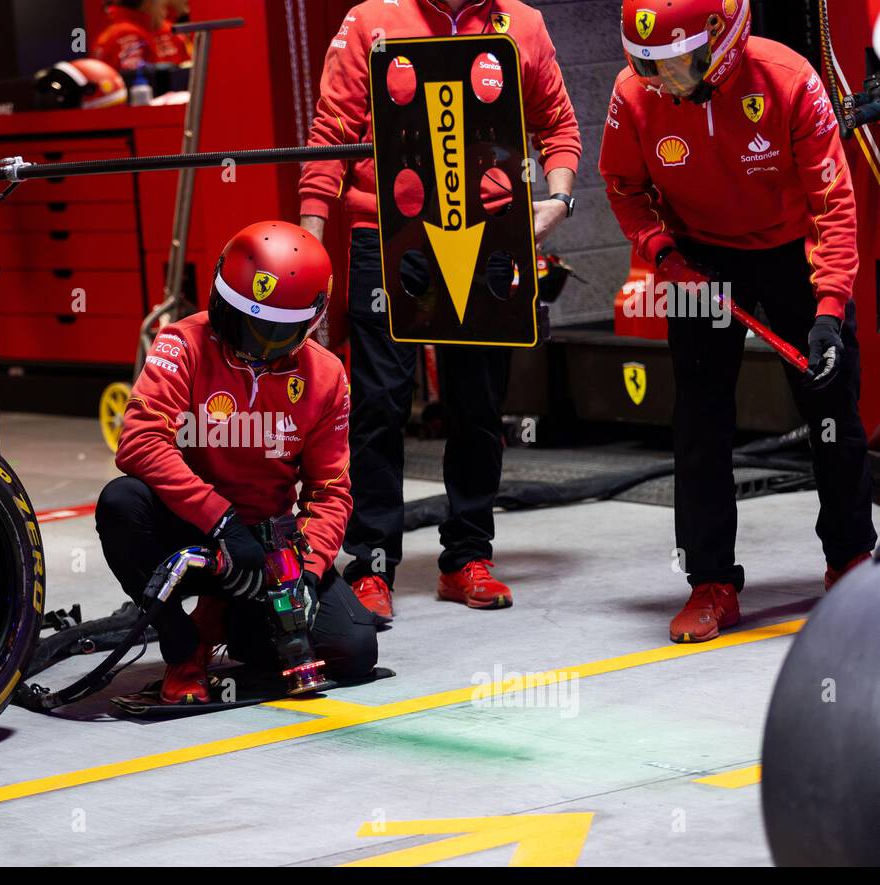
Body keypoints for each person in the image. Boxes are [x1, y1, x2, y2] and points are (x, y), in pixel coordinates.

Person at [601, 0, 877, 643]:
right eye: (650, 65)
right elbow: (623, 186)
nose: (664, 80)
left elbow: (834, 207)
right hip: (698, 257)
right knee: (700, 419)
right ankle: (711, 582)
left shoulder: (789, 81)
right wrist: (661, 253)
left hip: (792, 254)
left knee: (833, 405)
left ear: (723, 40)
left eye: (678, 64)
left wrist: (830, 310)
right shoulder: (632, 95)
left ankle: (850, 562)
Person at [299, 0, 582, 620]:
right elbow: (331, 135)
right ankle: (372, 566)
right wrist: (308, 243)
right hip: (387, 232)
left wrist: (557, 201)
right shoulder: (372, 19)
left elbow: (559, 126)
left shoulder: (523, 24)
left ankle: (467, 558)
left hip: (488, 236)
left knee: (478, 405)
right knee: (379, 403)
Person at [95, 221, 377, 704]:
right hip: (193, 530)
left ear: (309, 323)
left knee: (353, 652)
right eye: (247, 324)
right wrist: (220, 521)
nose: (257, 345)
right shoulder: (179, 344)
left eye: (274, 334)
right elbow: (139, 443)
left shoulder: (327, 376)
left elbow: (330, 491)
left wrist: (306, 571)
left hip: (269, 546)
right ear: (221, 299)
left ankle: (224, 617)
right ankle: (183, 649)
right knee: (121, 502)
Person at [93, 0, 191, 75]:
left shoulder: (168, 30)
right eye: (163, 5)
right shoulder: (125, 34)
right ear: (147, 3)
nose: (165, 10)